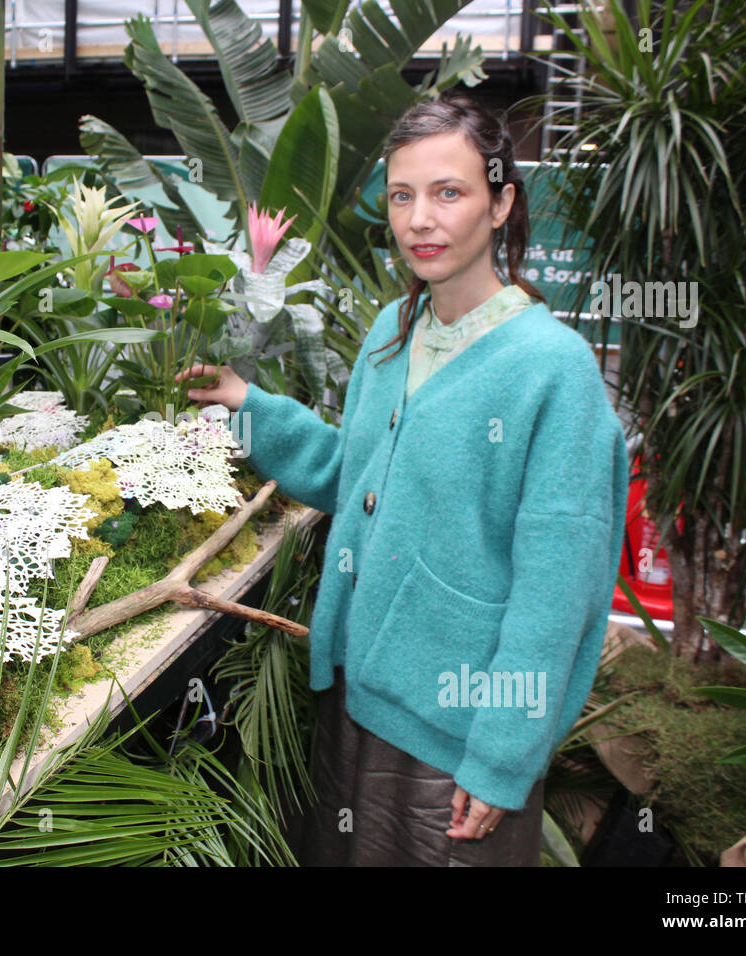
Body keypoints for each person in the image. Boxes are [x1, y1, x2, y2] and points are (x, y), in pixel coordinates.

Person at [175, 92, 629, 866]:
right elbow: (358, 476)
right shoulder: (396, 330)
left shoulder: (553, 372)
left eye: (449, 192)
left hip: (457, 729)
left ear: (501, 203)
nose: (421, 219)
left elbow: (559, 594)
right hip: (356, 694)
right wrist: (249, 409)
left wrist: (502, 755)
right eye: (402, 195)